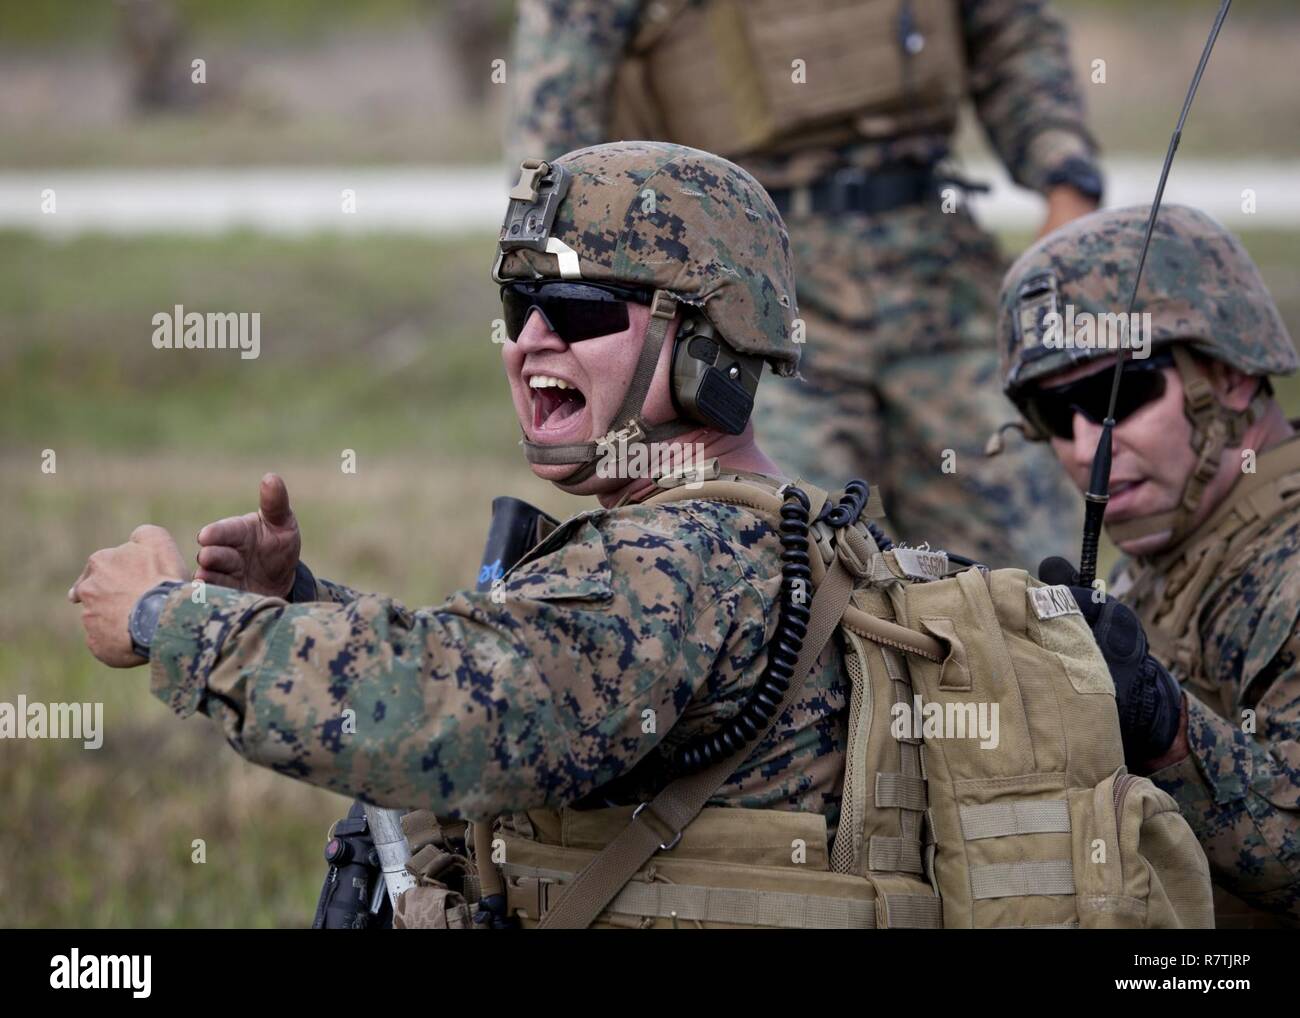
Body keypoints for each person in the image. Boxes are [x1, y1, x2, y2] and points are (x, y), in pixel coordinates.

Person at [70, 143, 1208, 929]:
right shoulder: (762, 543)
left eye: (575, 310)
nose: (527, 343)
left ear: (704, 344)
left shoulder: (681, 564)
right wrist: (299, 601)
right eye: (517, 308)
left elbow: (443, 717)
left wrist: (171, 620)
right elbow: (499, 673)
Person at [506, 0, 1102, 565]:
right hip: (738, 284)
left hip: (936, 266)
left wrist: (1065, 178)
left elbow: (1014, 37)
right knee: (786, 553)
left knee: (1036, 572)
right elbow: (557, 101)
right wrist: (579, 296)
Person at [995, 203, 1300, 926]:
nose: (1080, 444)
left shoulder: (1285, 571)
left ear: (1226, 375)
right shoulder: (1180, 554)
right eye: (1049, 412)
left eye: (1114, 396)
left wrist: (1163, 722)